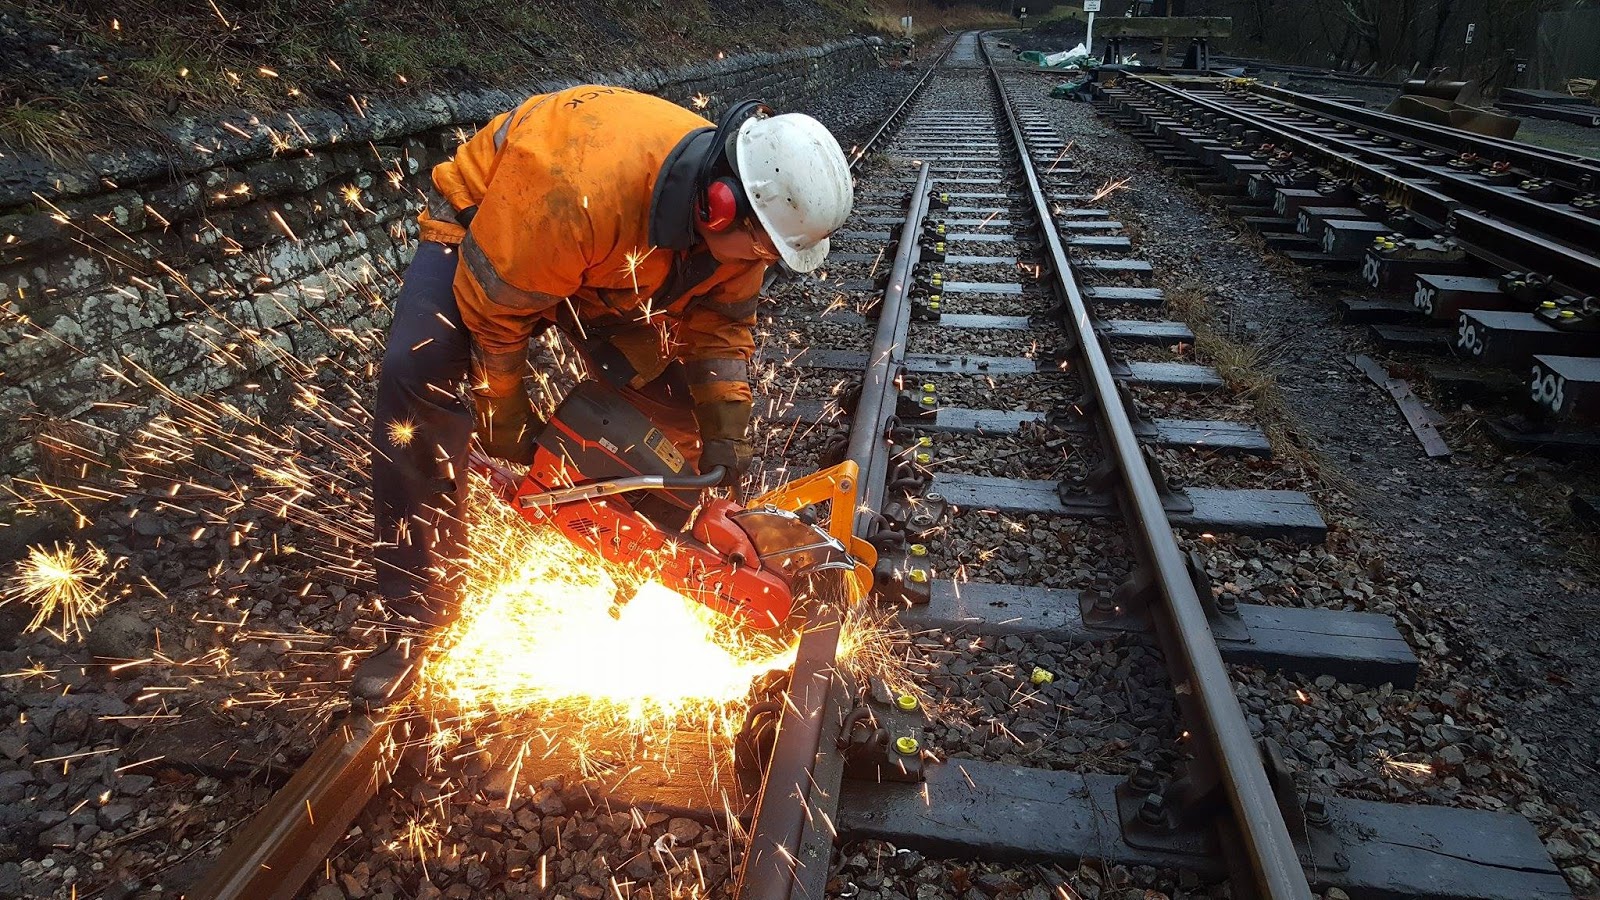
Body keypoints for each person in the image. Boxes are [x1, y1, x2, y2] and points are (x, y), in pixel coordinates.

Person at [351, 86, 854, 707]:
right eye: (762, 249)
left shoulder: (747, 219)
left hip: (609, 269)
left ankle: (656, 548)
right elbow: (497, 315)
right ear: (719, 206)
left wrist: (725, 432)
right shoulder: (577, 188)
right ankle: (415, 622)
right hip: (491, 235)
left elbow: (720, 332)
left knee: (674, 395)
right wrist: (505, 413)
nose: (763, 263)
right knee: (415, 376)